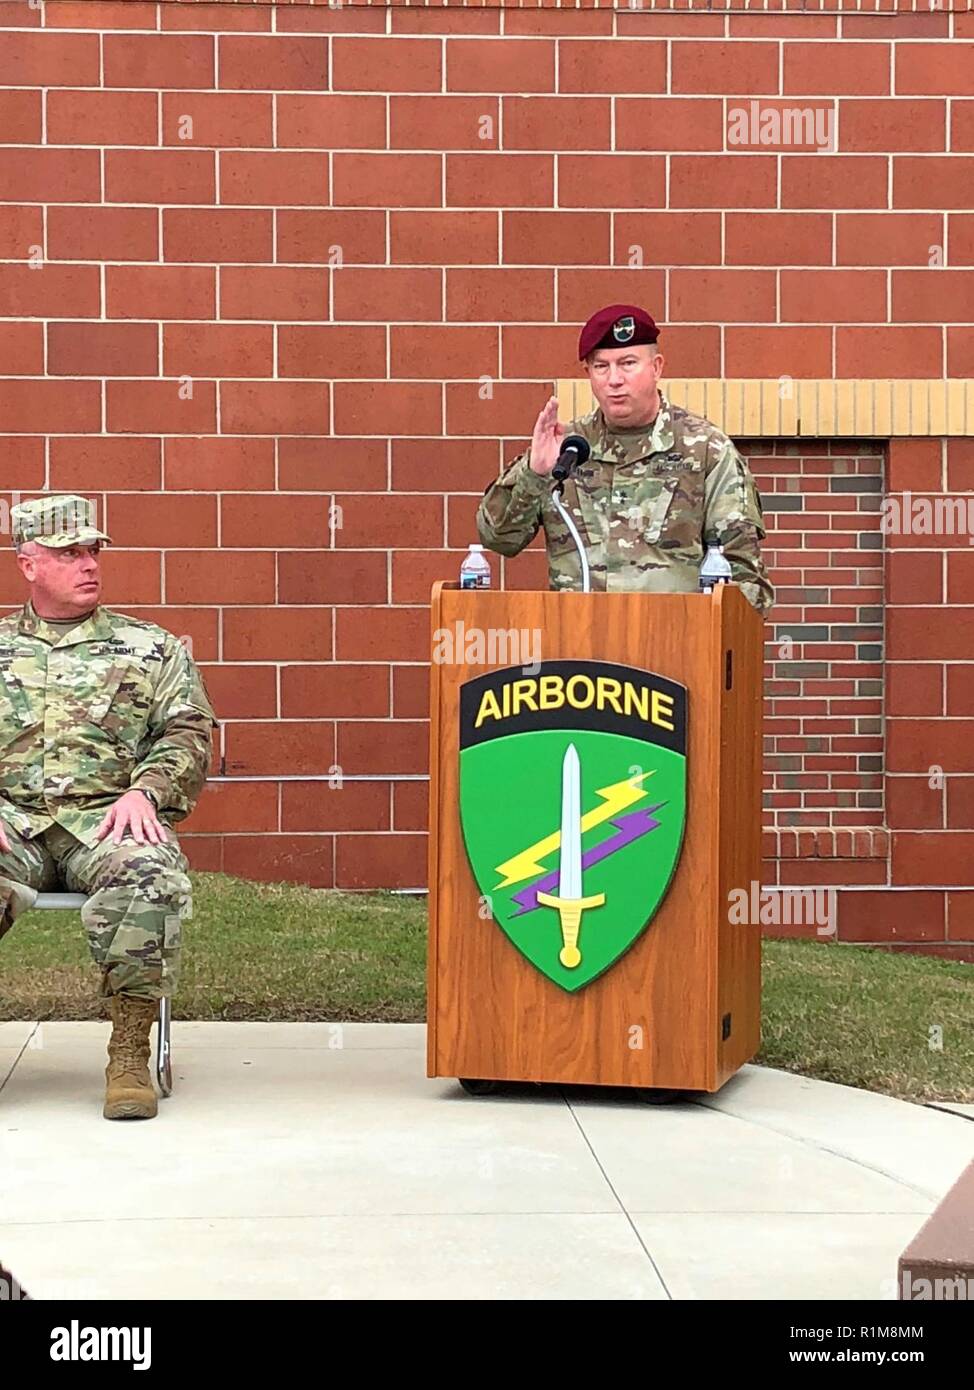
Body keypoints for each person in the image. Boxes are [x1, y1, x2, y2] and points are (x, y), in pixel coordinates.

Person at [0, 495, 217, 1120]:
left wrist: (146, 789)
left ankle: (129, 1050)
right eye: (69, 553)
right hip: (13, 820)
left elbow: (189, 730)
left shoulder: (150, 648)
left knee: (149, 874)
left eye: (94, 550)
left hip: (108, 819)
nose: (88, 563)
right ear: (29, 565)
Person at [477, 303, 774, 615]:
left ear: (657, 367)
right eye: (601, 367)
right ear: (588, 374)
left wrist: (708, 642)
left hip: (674, 651)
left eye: (628, 363)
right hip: (576, 651)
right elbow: (498, 539)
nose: (614, 379)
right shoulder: (566, 448)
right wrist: (535, 474)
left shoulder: (705, 449)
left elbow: (744, 579)